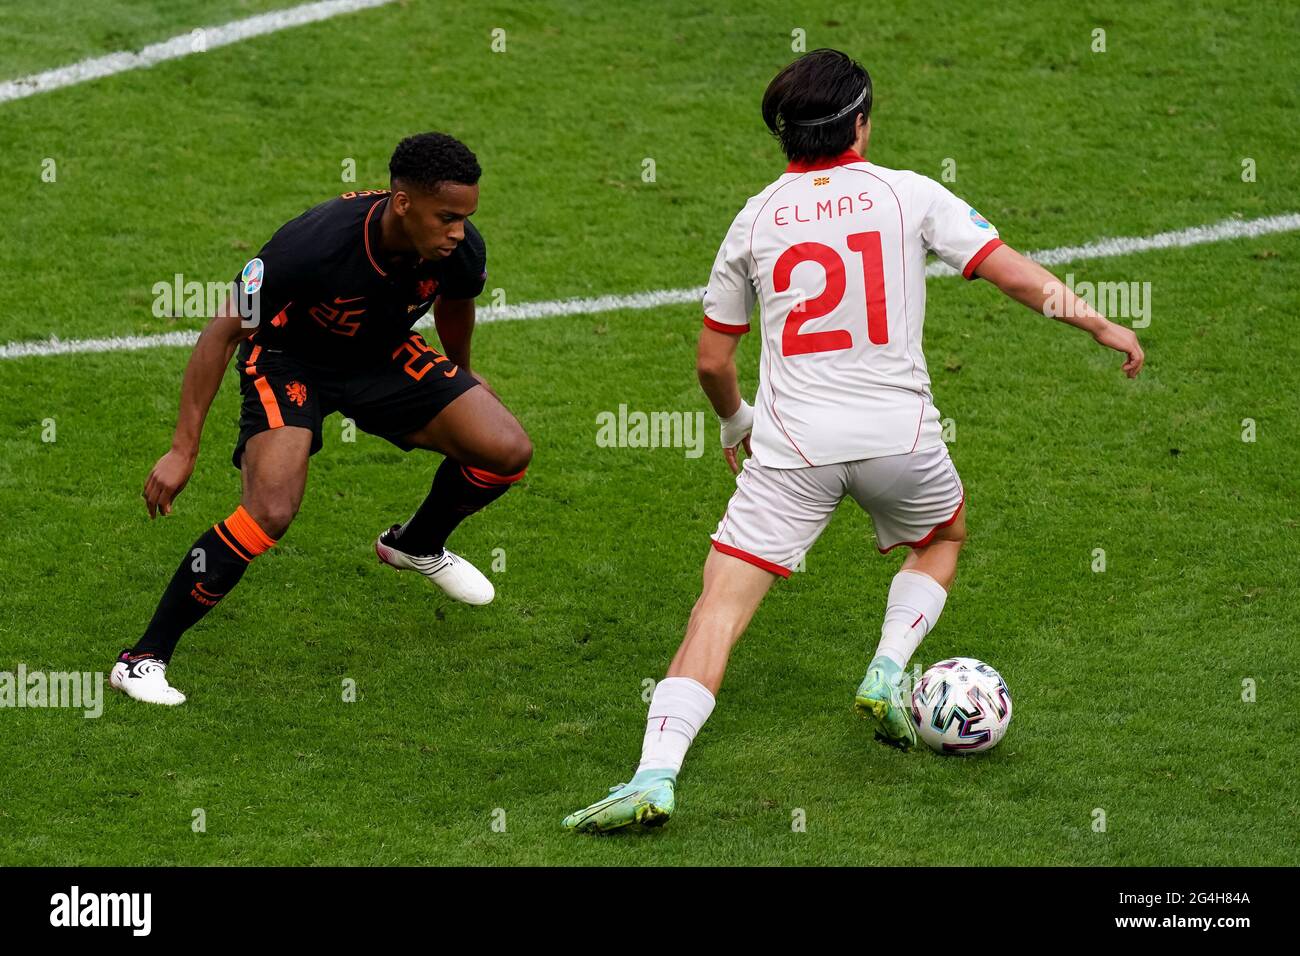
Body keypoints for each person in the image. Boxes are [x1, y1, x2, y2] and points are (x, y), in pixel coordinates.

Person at [563, 49, 1142, 832]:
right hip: (899, 439)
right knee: (941, 539)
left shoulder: (756, 216)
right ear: (860, 124)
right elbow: (1012, 275)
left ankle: (655, 777)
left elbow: (711, 361)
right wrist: (1100, 321)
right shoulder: (909, 195)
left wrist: (738, 422)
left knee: (717, 613)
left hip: (790, 451)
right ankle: (888, 665)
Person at [112, 132, 531, 706]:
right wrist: (184, 449)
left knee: (507, 450)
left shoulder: (458, 248)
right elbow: (222, 332)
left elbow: (456, 303)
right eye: (447, 217)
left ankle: (415, 543)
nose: (458, 231)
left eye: (466, 217)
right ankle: (142, 659)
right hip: (290, 360)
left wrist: (461, 373)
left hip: (379, 354)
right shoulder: (314, 244)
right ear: (403, 203)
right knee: (270, 512)